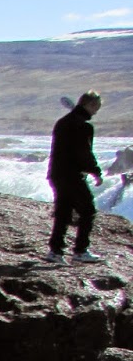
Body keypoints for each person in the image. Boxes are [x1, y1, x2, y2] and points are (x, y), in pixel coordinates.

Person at [46, 91, 106, 264]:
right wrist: (95, 171)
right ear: (90, 105)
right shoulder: (84, 126)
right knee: (88, 210)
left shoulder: (62, 122)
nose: (96, 112)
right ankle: (80, 251)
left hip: (56, 173)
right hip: (72, 175)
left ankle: (55, 251)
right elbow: (84, 152)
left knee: (63, 212)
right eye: (97, 108)